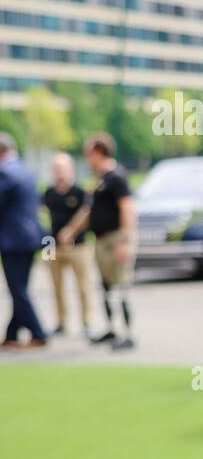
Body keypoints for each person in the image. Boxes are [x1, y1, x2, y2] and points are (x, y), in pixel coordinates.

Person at [58, 133, 136, 351]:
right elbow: (89, 211)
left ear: (98, 153)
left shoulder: (117, 177)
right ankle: (112, 328)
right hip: (101, 240)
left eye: (89, 154)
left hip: (116, 238)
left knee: (121, 285)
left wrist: (126, 241)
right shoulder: (100, 180)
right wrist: (71, 231)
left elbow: (128, 208)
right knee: (107, 286)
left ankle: (127, 333)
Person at [0, 131, 48, 349]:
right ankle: (11, 334)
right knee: (20, 288)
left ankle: (39, 333)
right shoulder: (26, 171)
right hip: (29, 237)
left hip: (13, 240)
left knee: (18, 290)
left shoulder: (5, 173)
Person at [43, 152, 94, 338]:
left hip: (78, 245)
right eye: (55, 169)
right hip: (52, 245)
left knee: (83, 285)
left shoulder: (80, 193)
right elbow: (44, 218)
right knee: (56, 286)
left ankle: (87, 321)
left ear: (70, 170)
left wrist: (71, 232)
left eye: (62, 168)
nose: (59, 173)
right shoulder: (48, 193)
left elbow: (87, 215)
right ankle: (61, 321)